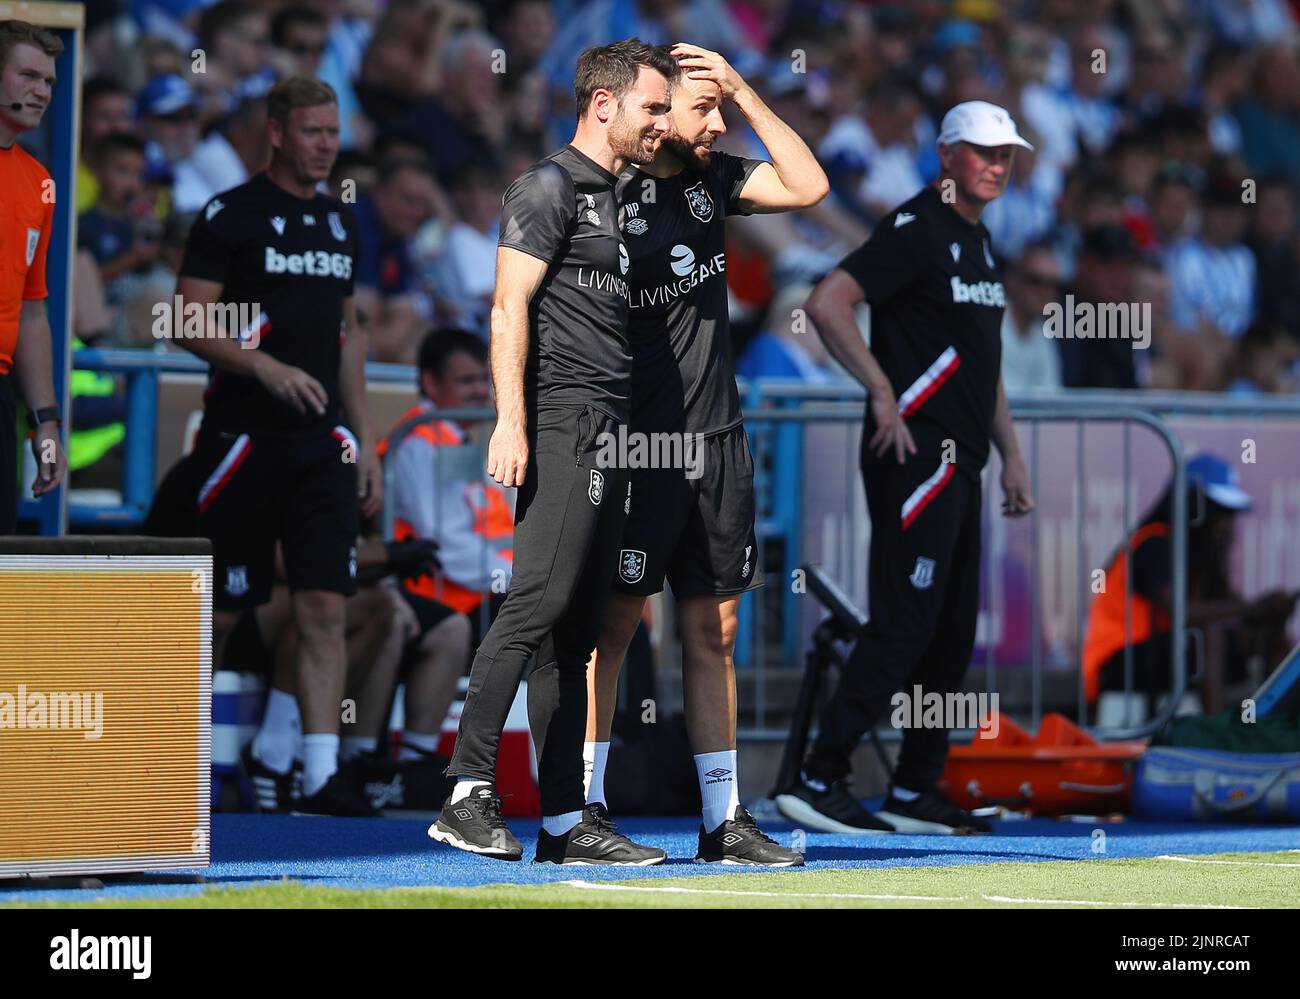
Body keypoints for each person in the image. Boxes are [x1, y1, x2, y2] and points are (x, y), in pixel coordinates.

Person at [426, 38, 676, 865]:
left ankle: (566, 821)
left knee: (576, 634)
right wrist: (510, 420)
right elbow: (508, 307)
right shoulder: (545, 186)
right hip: (564, 416)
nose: (661, 122)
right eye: (651, 106)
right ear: (602, 103)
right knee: (534, 602)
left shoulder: (622, 195)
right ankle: (467, 792)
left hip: (612, 426)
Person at [581, 42, 828, 867]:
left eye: (721, 109)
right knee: (612, 628)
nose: (717, 124)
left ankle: (723, 819)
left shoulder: (714, 179)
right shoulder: (599, 193)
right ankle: (582, 805)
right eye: (702, 108)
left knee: (715, 628)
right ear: (655, 110)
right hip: (636, 440)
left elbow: (808, 185)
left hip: (717, 439)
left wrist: (745, 89)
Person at [776, 100, 1035, 836]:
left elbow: (984, 367)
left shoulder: (979, 245)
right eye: (983, 151)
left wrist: (1013, 454)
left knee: (951, 632)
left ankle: (915, 785)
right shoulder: (918, 228)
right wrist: (880, 387)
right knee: (905, 622)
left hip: (964, 463)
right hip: (914, 457)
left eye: (1006, 154)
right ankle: (820, 774)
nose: (996, 164)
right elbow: (830, 304)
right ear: (946, 154)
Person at [172, 75, 382, 815]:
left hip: (321, 445)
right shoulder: (230, 214)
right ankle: (179, 763)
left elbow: (349, 334)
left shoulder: (339, 221)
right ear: (278, 132)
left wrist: (365, 440)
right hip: (242, 439)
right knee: (221, 614)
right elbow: (186, 321)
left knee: (327, 605)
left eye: (334, 133)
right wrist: (263, 364)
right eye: (314, 132)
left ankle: (318, 777)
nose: (327, 146)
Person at [1083, 453, 1299, 715]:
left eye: (1230, 514)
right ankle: (1217, 734)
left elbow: (1228, 606)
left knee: (1268, 631)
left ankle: (1275, 726)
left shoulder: (1199, 553)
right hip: (1118, 661)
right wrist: (1252, 608)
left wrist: (1267, 612)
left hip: (1165, 653)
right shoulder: (1154, 544)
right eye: (1220, 511)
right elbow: (1182, 613)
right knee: (1206, 636)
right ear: (1192, 507)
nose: (1227, 524)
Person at [0, 19, 68, 532]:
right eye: (28, 75)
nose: (42, 90)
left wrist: (45, 422)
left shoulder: (40, 182)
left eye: (48, 80)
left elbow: (33, 306)